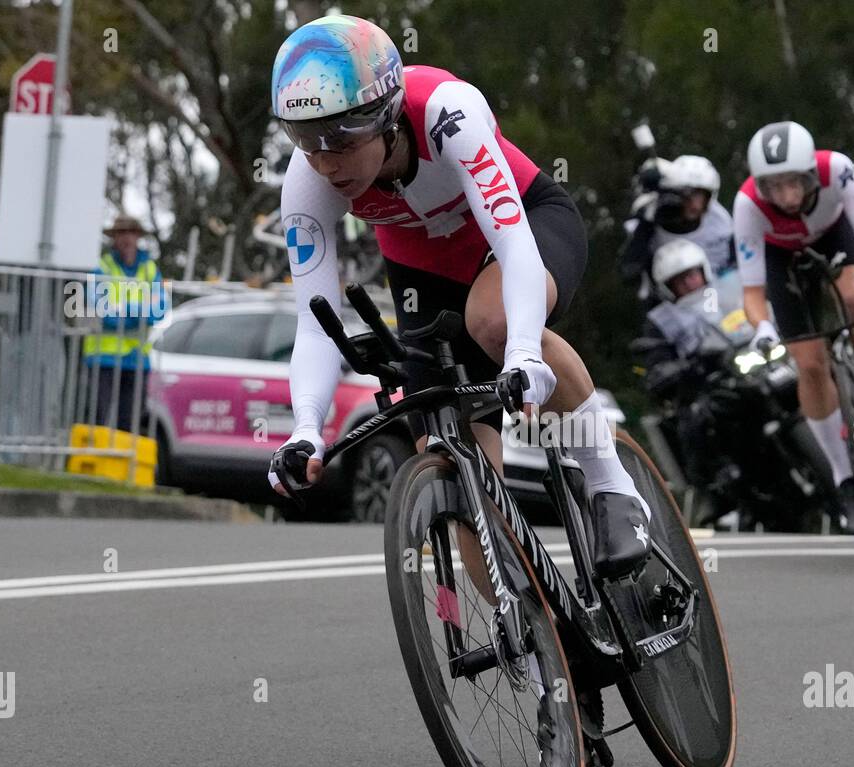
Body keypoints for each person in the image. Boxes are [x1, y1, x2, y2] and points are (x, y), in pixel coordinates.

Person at [268, 14, 649, 576]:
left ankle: (611, 485)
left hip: (523, 228)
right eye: (306, 139)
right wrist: (306, 429)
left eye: (342, 136)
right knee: (456, 485)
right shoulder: (307, 186)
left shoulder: (449, 111)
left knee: (492, 321)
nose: (325, 160)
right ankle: (542, 644)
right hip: (424, 277)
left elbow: (514, 243)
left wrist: (521, 349)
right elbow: (314, 324)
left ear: (386, 114)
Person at [733, 120, 854, 534]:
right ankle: (843, 479)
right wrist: (763, 327)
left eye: (793, 183)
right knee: (810, 364)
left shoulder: (838, 169)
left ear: (810, 174)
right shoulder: (748, 203)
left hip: (836, 236)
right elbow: (752, 291)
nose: (785, 196)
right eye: (773, 187)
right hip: (783, 258)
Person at [86, 215, 166, 432]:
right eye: (121, 233)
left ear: (138, 236)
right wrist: (139, 312)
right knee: (96, 419)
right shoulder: (103, 268)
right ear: (114, 238)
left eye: (130, 233)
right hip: (103, 358)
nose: (126, 238)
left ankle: (120, 466)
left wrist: (123, 310)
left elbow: (159, 311)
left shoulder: (150, 269)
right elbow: (102, 311)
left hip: (137, 360)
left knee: (129, 424)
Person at [621, 153, 735, 301]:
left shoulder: (721, 221)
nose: (694, 205)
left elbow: (738, 261)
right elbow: (630, 271)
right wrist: (646, 222)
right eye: (688, 195)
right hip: (673, 308)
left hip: (718, 298)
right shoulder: (652, 217)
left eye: (700, 196)